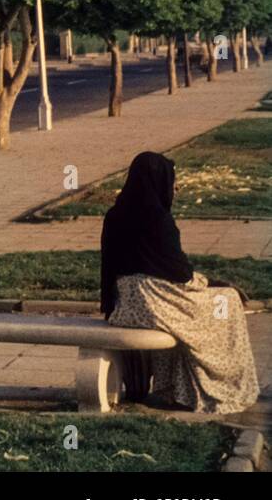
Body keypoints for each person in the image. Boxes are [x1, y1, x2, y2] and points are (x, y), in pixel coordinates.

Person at [100, 151, 259, 414]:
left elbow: (108, 267)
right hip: (153, 301)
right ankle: (223, 384)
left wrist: (109, 304)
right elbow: (181, 274)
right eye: (172, 179)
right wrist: (214, 283)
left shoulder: (114, 215)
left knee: (190, 316)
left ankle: (178, 387)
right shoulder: (158, 219)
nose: (176, 186)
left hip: (126, 303)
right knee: (226, 300)